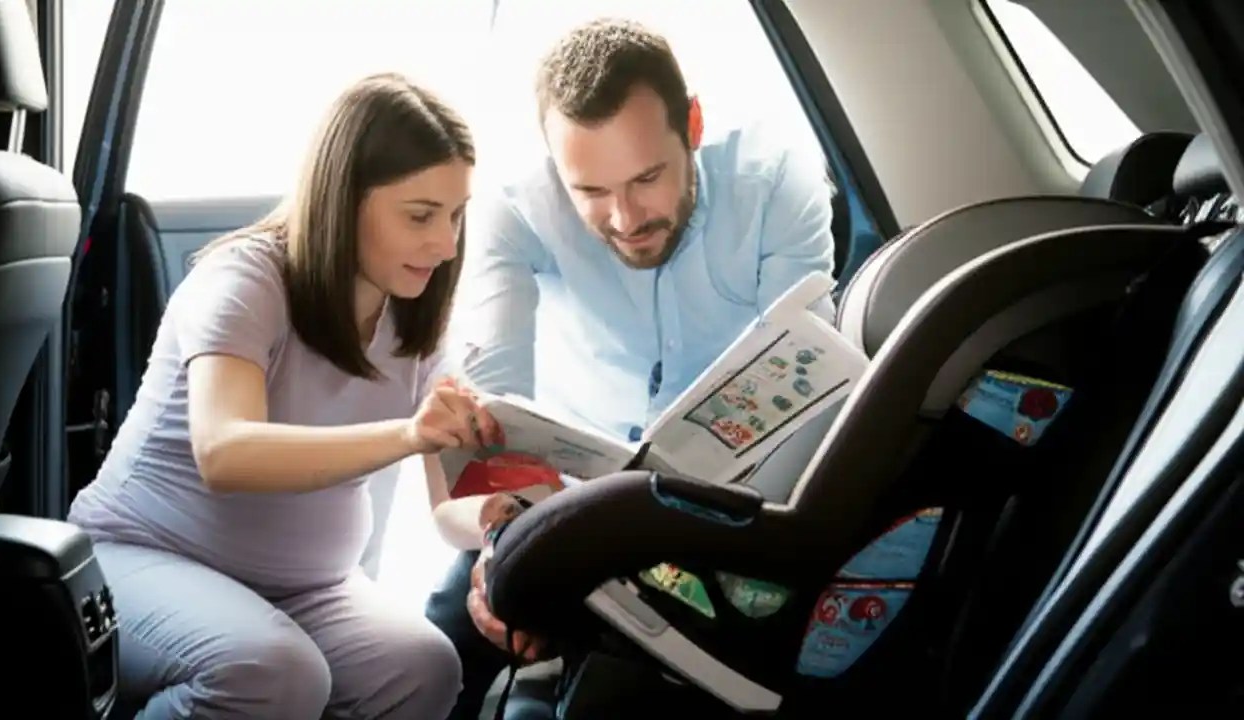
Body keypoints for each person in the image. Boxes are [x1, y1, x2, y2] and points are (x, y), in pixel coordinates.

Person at [424, 17, 838, 719]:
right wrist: (506, 539)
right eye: (590, 191)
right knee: (434, 652)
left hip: (732, 517)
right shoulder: (513, 215)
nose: (624, 217)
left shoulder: (776, 185)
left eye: (649, 177)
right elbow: (499, 412)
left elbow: (806, 401)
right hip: (562, 503)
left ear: (694, 126)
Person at [66, 72, 504, 720]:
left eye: (457, 214)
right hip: (142, 557)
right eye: (421, 215)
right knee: (274, 672)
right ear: (345, 199)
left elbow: (450, 510)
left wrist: (505, 521)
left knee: (425, 667)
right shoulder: (244, 281)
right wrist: (409, 433)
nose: (445, 244)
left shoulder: (415, 314)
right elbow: (226, 451)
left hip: (306, 587)